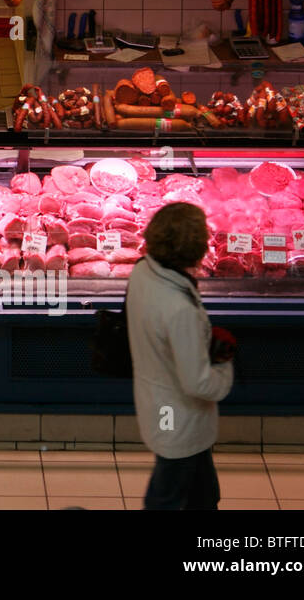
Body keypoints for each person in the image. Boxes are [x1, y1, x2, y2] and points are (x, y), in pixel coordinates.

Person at [126, 202, 233, 510]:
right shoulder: (178, 309)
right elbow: (198, 383)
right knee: (168, 494)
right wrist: (224, 364)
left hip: (159, 399)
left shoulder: (145, 270)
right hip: (177, 417)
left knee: (203, 494)